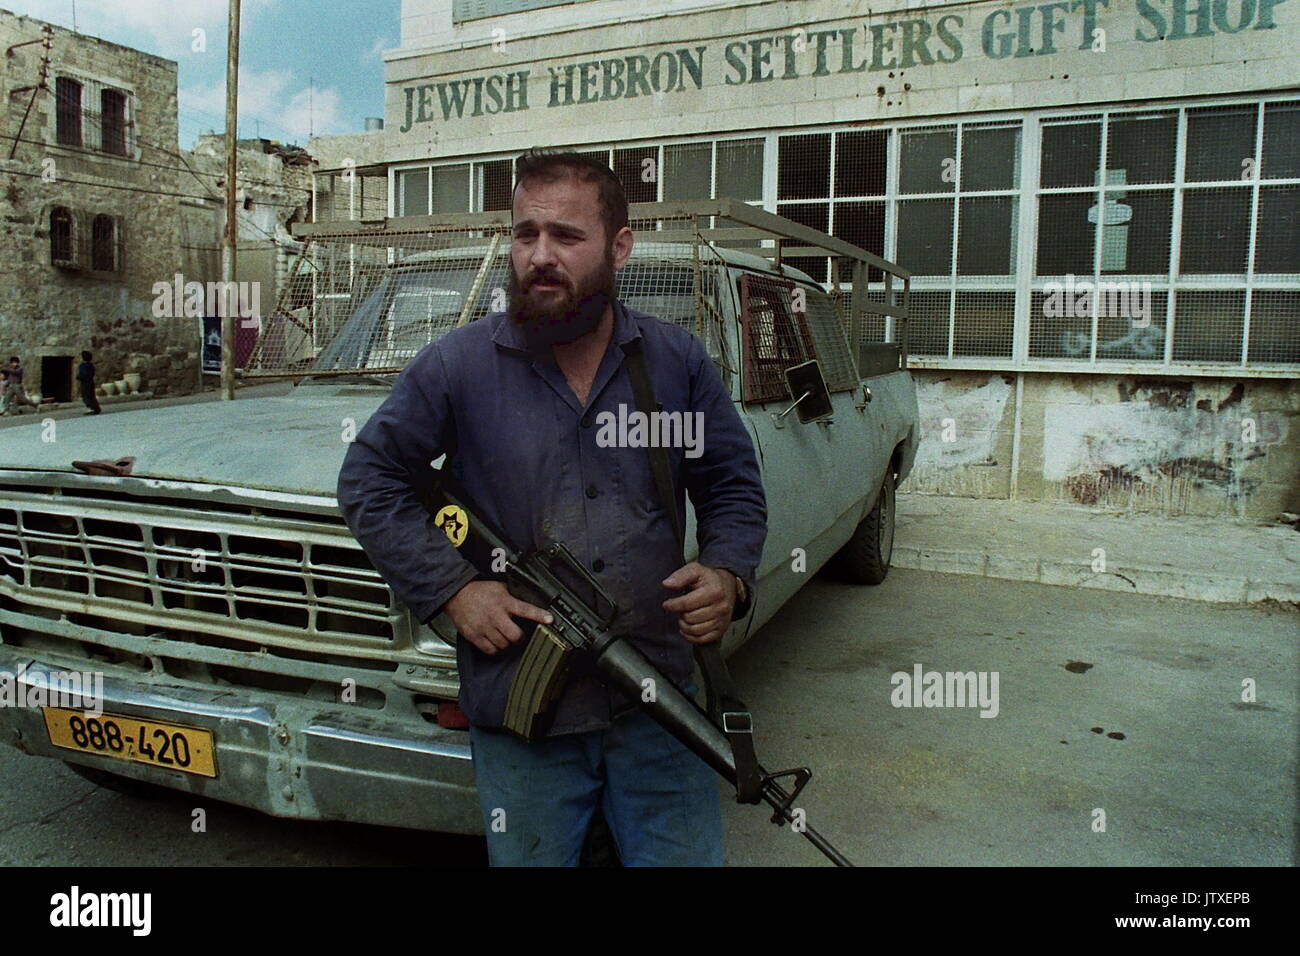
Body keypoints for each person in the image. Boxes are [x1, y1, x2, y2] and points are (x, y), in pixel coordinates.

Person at [337, 148, 767, 866]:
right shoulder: (458, 365)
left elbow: (729, 483)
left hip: (657, 705)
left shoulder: (674, 363)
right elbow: (370, 478)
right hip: (523, 718)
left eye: (566, 237)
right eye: (525, 233)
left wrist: (728, 572)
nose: (540, 255)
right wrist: (452, 591)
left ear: (619, 247)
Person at [77, 350, 101, 415]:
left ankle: (90, 408)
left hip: (85, 382)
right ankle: (96, 408)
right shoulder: (91, 365)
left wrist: (78, 377)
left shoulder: (82, 365)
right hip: (91, 381)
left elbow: (83, 374)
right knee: (92, 395)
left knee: (86, 395)